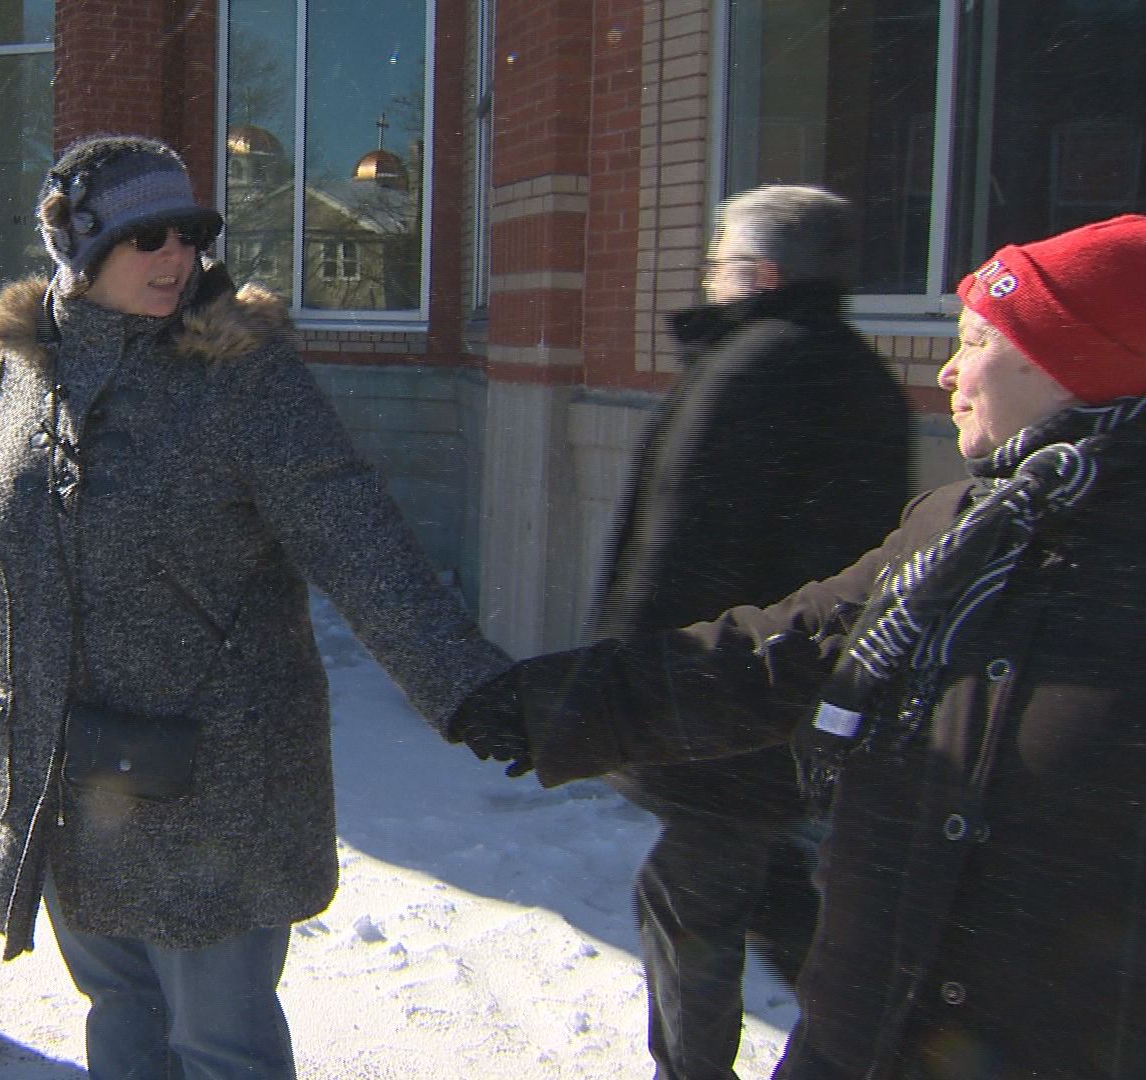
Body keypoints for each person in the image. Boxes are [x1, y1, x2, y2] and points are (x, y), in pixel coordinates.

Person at [0, 134, 516, 1080]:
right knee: (120, 1012)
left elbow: (355, 531)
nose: (177, 257)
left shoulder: (242, 375)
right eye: (147, 238)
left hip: (213, 789)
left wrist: (463, 682)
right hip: (72, 776)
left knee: (221, 1047)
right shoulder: (28, 367)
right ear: (78, 252)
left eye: (190, 235)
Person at [463, 214, 1146, 1080]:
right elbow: (789, 645)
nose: (948, 370)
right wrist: (551, 706)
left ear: (1069, 361)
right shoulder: (963, 529)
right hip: (860, 1035)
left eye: (979, 340)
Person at [594, 186, 913, 1080]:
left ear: (761, 274)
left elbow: (680, 548)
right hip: (791, 696)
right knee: (766, 892)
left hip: (720, 702)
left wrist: (630, 692)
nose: (712, 278)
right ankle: (881, 1040)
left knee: (684, 900)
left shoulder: (750, 369)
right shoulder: (860, 373)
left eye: (720, 263)